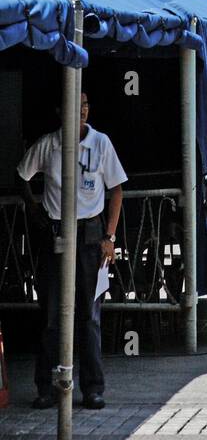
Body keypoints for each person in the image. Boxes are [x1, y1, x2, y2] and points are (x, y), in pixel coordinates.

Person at [17, 91, 127, 410]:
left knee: (89, 315)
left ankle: (93, 387)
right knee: (52, 315)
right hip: (56, 232)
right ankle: (48, 386)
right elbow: (21, 174)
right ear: (59, 111)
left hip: (91, 234)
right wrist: (34, 211)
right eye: (73, 107)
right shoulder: (49, 144)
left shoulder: (100, 142)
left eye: (85, 106)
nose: (81, 112)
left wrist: (111, 236)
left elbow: (117, 189)